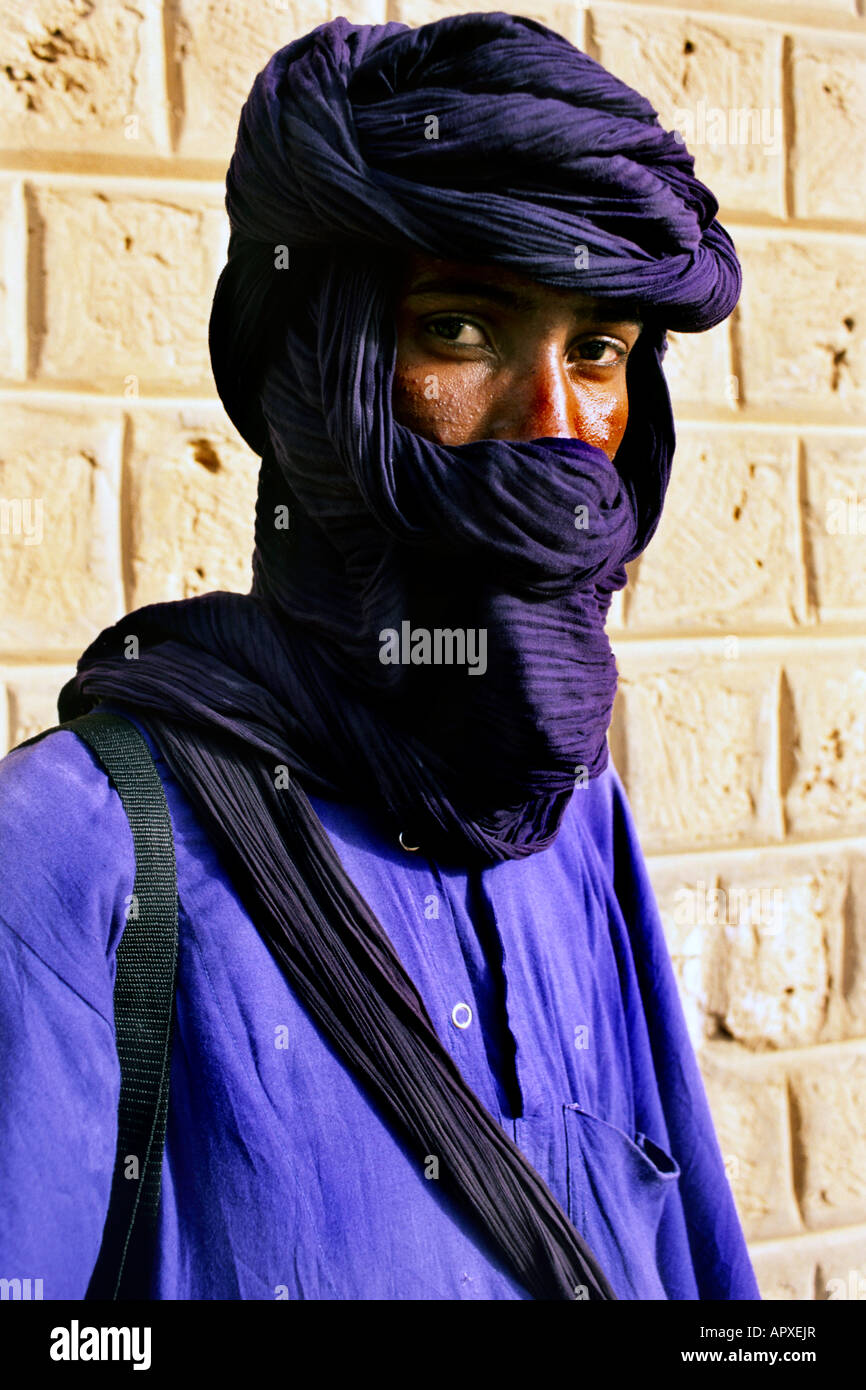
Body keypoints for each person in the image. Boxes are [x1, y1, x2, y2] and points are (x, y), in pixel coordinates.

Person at [0, 11, 760, 1301]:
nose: (558, 427)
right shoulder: (73, 853)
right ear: (318, 367)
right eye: (461, 330)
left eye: (599, 351)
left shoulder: (574, 820)